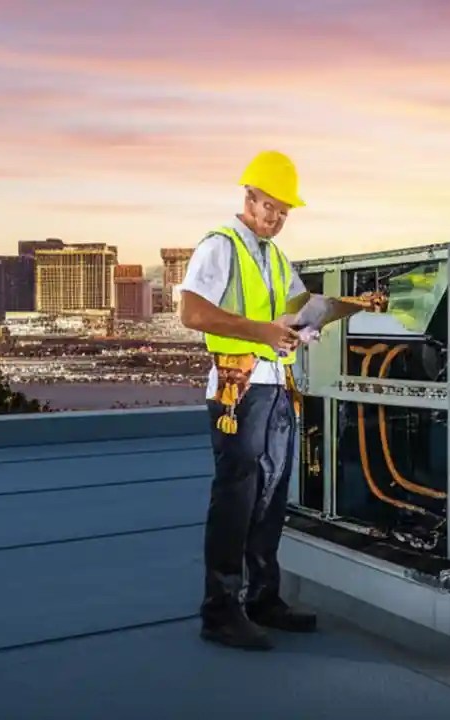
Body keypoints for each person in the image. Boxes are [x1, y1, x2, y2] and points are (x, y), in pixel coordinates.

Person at [178, 150, 317, 650]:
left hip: (278, 388)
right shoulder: (220, 246)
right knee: (236, 498)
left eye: (285, 210)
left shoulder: (278, 259)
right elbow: (192, 313)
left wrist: (309, 325)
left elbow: (296, 311)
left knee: (271, 496)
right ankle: (220, 610)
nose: (277, 217)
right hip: (238, 392)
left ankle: (262, 597)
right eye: (270, 205)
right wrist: (260, 330)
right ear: (249, 196)